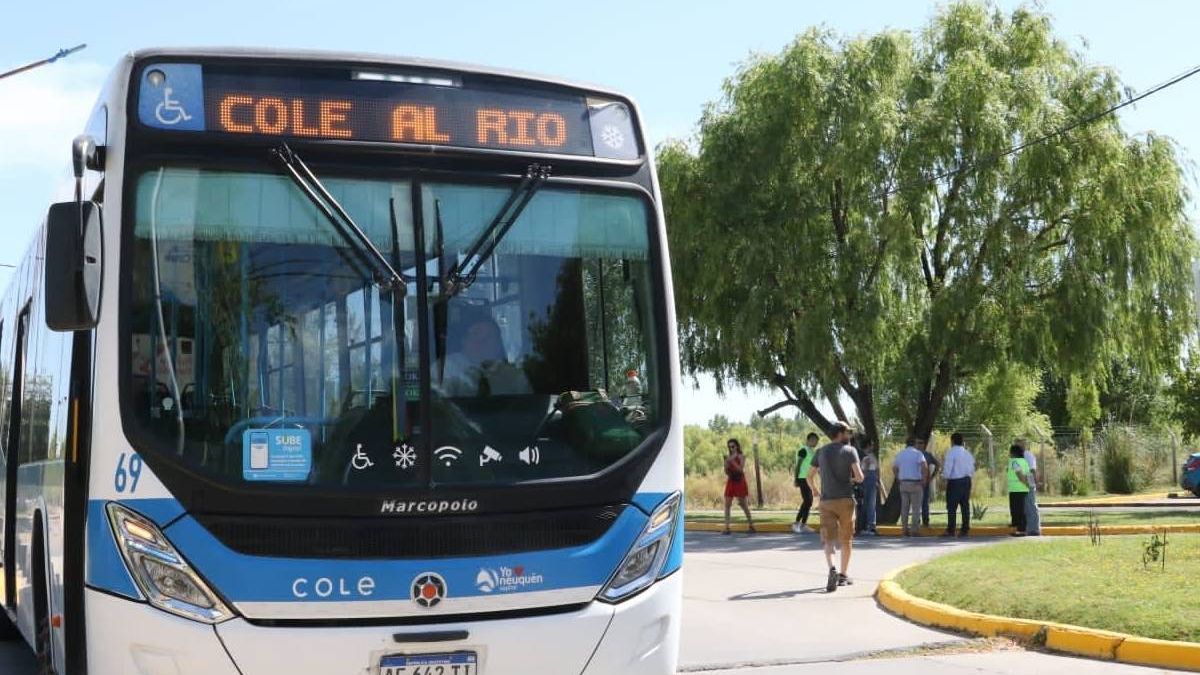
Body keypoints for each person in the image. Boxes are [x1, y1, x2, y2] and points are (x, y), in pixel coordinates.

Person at [807, 421, 864, 592]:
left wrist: (815, 491)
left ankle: (832, 568)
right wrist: (852, 479)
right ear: (840, 433)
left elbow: (809, 476)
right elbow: (860, 477)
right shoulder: (850, 451)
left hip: (826, 501)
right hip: (846, 500)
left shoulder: (820, 451)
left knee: (828, 539)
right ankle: (843, 575)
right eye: (848, 432)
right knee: (846, 539)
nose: (849, 435)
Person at [440, 314, 531, 397]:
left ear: (498, 345)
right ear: (463, 341)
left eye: (489, 337)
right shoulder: (445, 368)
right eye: (475, 334)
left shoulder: (514, 376)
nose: (481, 341)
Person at [893, 438, 929, 536]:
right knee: (916, 508)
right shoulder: (918, 454)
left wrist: (898, 478)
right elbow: (924, 466)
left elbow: (894, 467)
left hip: (903, 483)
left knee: (904, 508)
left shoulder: (901, 454)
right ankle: (914, 530)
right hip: (915, 483)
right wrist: (924, 479)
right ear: (914, 444)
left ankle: (904, 530)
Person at [942, 433, 975, 537]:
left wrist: (944, 477)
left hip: (955, 482)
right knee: (965, 505)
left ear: (952, 441)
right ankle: (965, 529)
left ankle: (951, 529)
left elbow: (948, 468)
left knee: (952, 506)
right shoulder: (968, 453)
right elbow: (972, 468)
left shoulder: (951, 453)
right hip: (967, 480)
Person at [722, 438, 756, 534]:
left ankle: (751, 525)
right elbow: (726, 471)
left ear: (737, 446)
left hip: (739, 480)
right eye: (729, 447)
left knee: (743, 505)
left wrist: (732, 461)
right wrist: (726, 464)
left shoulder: (741, 456)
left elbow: (740, 469)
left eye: (732, 446)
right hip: (731, 480)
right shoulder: (728, 457)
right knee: (727, 504)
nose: (731, 448)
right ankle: (727, 527)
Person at [792, 432, 820, 534]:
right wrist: (795, 479)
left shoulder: (812, 452)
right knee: (807, 501)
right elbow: (798, 465)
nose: (816, 443)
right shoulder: (803, 450)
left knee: (809, 502)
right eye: (815, 441)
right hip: (802, 478)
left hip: (809, 479)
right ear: (810, 439)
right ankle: (796, 523)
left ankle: (803, 525)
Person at [856, 437, 881, 536]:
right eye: (871, 444)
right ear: (868, 445)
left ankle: (867, 526)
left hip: (871, 478)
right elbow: (865, 470)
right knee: (869, 504)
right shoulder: (867, 457)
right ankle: (870, 526)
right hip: (868, 479)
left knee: (869, 503)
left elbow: (877, 469)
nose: (873, 446)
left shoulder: (870, 455)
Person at [1018, 439, 1042, 536]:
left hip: (1028, 478)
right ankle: (1028, 527)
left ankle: (1034, 528)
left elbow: (1032, 469)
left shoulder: (1028, 455)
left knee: (1031, 504)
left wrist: (1032, 482)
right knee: (1025, 505)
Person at [1007, 444, 1033, 536]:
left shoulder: (1014, 462)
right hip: (1023, 490)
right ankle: (1017, 528)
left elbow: (1020, 475)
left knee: (1016, 510)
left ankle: (1020, 529)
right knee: (1021, 509)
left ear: (1013, 453)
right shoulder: (1024, 462)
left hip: (1016, 490)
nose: (1009, 454)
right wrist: (1030, 485)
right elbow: (1029, 474)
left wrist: (1025, 483)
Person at [918, 438, 941, 528]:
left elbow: (937, 464)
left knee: (924, 502)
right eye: (918, 443)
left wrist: (931, 477)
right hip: (915, 481)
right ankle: (916, 521)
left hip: (924, 482)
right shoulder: (913, 455)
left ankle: (925, 521)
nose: (919, 445)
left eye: (921, 443)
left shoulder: (927, 455)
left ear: (924, 445)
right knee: (915, 503)